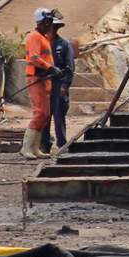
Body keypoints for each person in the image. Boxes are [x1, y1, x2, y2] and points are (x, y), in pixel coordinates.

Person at [19, 7, 58, 158]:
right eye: (47, 22)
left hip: (44, 78)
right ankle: (26, 148)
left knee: (45, 114)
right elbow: (34, 58)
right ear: (41, 22)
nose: (49, 25)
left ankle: (35, 148)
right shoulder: (34, 36)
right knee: (39, 113)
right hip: (36, 77)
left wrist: (52, 70)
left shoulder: (43, 38)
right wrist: (51, 68)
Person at [43, 9, 75, 154]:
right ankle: (44, 144)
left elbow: (69, 66)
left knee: (58, 115)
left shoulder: (64, 44)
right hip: (44, 85)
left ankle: (62, 143)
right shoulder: (41, 43)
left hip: (58, 84)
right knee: (44, 116)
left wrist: (65, 85)